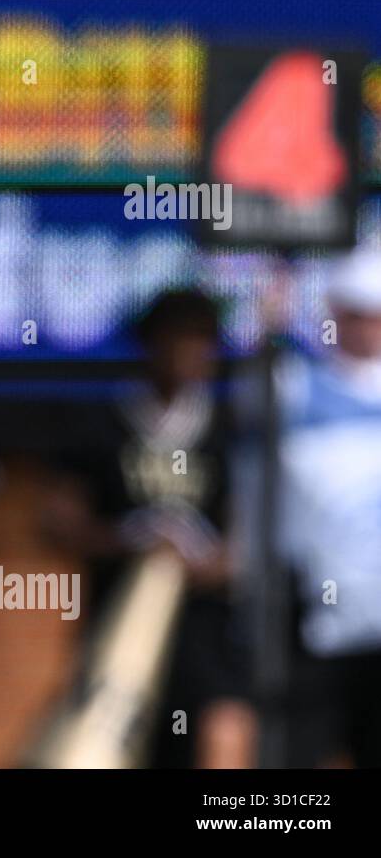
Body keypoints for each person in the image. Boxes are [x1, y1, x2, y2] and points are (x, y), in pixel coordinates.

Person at [38, 289, 254, 768]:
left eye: (204, 341)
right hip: (122, 630)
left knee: (218, 732)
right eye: (180, 339)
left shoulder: (228, 427)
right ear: (152, 343)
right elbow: (58, 525)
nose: (193, 354)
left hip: (205, 630)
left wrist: (205, 560)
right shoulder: (101, 423)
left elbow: (247, 540)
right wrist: (132, 539)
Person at [232, 249, 381, 766]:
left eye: (376, 315)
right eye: (355, 314)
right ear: (335, 315)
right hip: (309, 616)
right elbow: (255, 387)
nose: (366, 328)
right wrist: (269, 319)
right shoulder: (293, 386)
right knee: (298, 755)